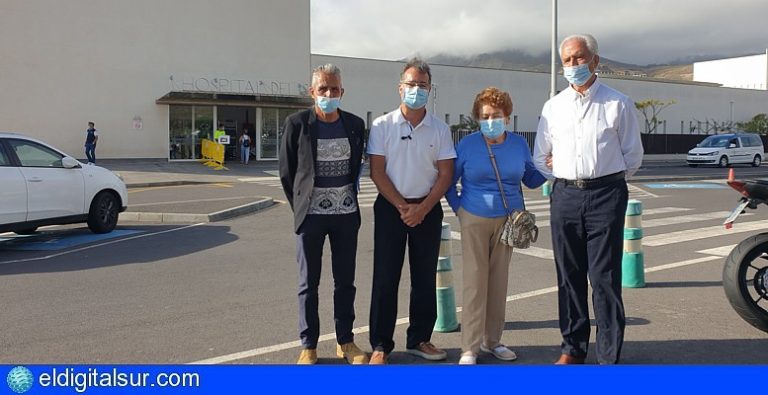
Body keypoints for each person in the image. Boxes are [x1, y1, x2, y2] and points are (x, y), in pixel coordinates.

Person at [533, 34, 644, 365]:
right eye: (567, 60)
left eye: (579, 58)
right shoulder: (553, 107)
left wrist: (603, 178)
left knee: (604, 278)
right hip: (565, 195)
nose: (573, 65)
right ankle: (572, 347)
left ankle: (608, 355)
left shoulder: (617, 103)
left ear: (595, 60)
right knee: (568, 275)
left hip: (606, 195)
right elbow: (540, 156)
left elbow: (632, 156)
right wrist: (563, 172)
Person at [446, 87, 546, 365]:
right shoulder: (467, 145)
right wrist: (460, 210)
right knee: (475, 283)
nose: (491, 121)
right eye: (485, 116)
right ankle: (469, 347)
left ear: (508, 117)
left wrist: (551, 166)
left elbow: (531, 179)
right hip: (474, 218)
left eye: (496, 115)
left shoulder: (519, 145)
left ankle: (492, 341)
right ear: (478, 118)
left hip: (508, 222)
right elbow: (448, 182)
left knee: (498, 283)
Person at [367, 58, 456, 364]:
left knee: (424, 277)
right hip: (391, 208)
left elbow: (446, 174)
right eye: (411, 84)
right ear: (400, 88)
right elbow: (377, 172)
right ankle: (381, 344)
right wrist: (404, 207)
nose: (416, 90)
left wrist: (422, 208)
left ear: (430, 89)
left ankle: (420, 338)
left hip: (427, 208)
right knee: (385, 277)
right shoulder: (382, 126)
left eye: (422, 85)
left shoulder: (440, 129)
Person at [278, 63, 368, 365]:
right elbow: (287, 173)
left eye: (334, 89)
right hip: (311, 218)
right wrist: (302, 208)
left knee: (345, 282)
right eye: (323, 89)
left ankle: (346, 341)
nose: (329, 94)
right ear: (312, 92)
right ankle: (309, 345)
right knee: (309, 284)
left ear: (342, 91)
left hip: (346, 215)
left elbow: (356, 167)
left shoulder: (355, 125)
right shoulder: (297, 124)